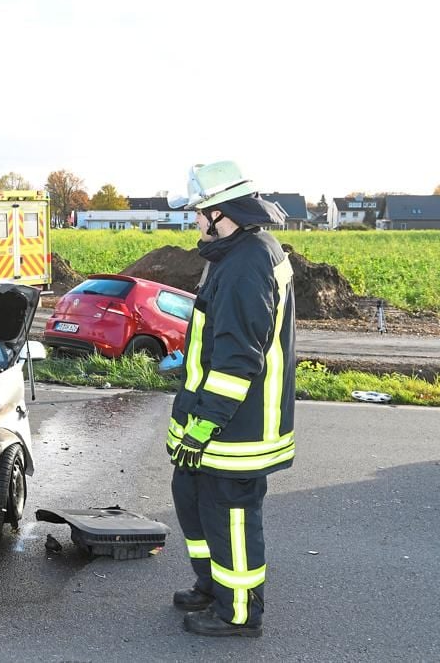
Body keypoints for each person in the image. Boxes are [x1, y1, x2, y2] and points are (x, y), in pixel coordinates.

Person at [165, 161, 294, 638]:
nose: (196, 221)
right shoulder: (235, 254)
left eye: (200, 213)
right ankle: (213, 586)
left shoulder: (246, 265)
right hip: (217, 421)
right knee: (192, 498)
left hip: (236, 428)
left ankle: (238, 612)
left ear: (222, 212)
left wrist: (202, 427)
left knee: (230, 516)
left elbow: (238, 360)